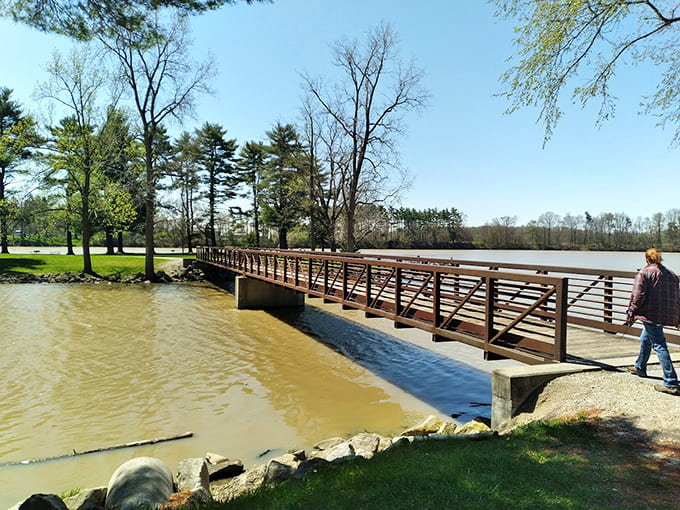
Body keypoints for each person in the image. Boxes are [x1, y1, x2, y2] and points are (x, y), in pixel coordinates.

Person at [625, 248, 680, 395]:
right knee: (647, 337)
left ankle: (671, 382)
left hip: (651, 314)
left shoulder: (644, 273)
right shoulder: (672, 275)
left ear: (647, 259)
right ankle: (639, 367)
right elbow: (678, 298)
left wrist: (631, 312)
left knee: (659, 344)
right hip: (666, 314)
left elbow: (637, 296)